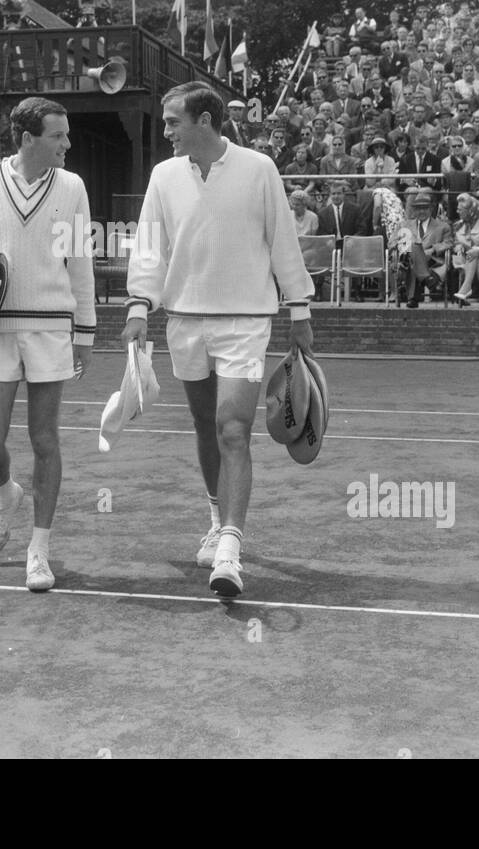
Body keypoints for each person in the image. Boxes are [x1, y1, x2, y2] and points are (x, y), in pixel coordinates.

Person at [122, 83, 314, 599]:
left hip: (245, 321)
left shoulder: (259, 169)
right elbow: (149, 247)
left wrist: (300, 309)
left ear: (205, 121)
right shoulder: (164, 176)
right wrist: (140, 305)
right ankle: (214, 515)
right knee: (205, 426)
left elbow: (283, 241)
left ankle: (230, 545)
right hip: (183, 321)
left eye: (172, 122)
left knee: (234, 429)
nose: (165, 132)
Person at [0, 96, 96, 594]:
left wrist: (86, 331)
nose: (68, 144)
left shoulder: (72, 186)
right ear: (28, 139)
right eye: (58, 136)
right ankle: (6, 494)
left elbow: (81, 261)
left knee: (45, 441)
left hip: (51, 327)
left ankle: (39, 551)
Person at [400, 190, 451, 307]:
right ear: (413, 210)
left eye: (425, 208)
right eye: (418, 208)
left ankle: (413, 298)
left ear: (431, 209)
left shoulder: (443, 226)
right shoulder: (404, 225)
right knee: (412, 249)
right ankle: (427, 279)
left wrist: (433, 249)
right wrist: (411, 249)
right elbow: (396, 243)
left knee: (414, 259)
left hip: (433, 261)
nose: (421, 211)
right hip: (408, 259)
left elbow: (449, 243)